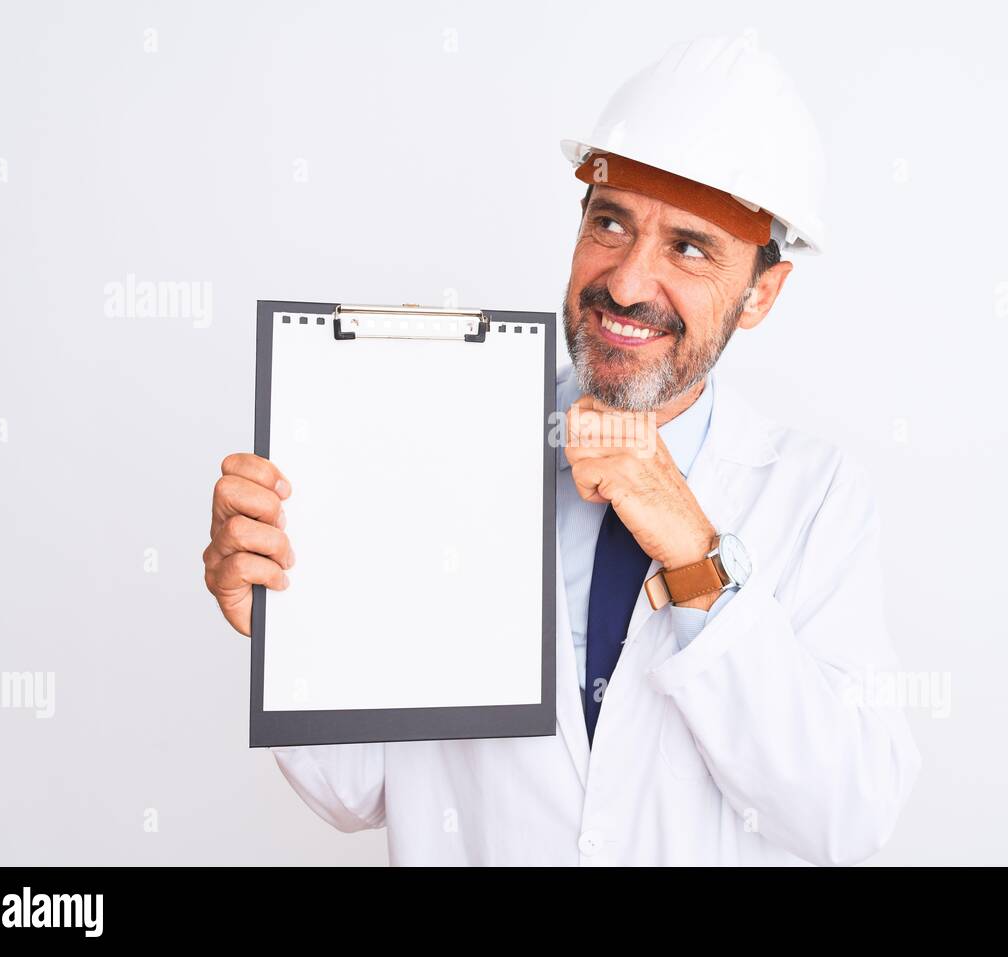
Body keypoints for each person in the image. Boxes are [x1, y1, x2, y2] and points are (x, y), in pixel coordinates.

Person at [203, 35, 921, 865]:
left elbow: (848, 813)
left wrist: (695, 554)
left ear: (761, 291)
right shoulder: (441, 439)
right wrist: (293, 630)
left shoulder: (814, 496)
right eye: (610, 223)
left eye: (689, 247)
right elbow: (357, 789)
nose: (624, 282)